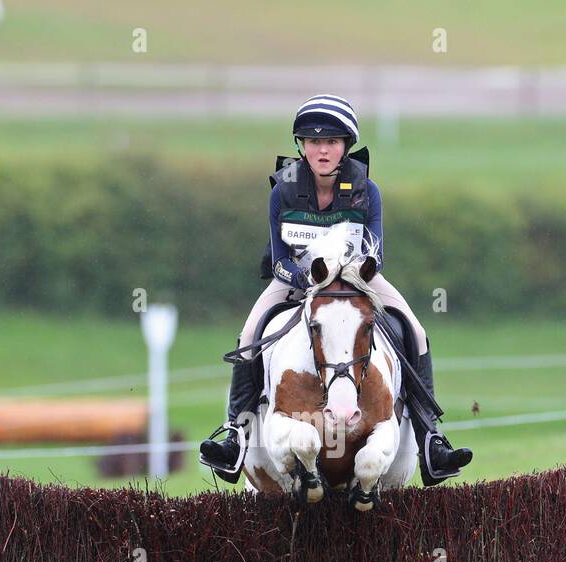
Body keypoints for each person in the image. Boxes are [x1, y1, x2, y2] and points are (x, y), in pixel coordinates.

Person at [199, 94, 472, 486]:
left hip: (357, 278)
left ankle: (431, 438)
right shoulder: (283, 191)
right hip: (296, 279)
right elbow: (279, 260)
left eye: (331, 142)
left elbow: (376, 254)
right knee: (249, 334)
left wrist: (343, 279)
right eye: (312, 142)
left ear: (345, 146)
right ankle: (236, 435)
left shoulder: (367, 191)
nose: (322, 150)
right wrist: (312, 283)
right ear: (301, 147)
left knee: (415, 330)